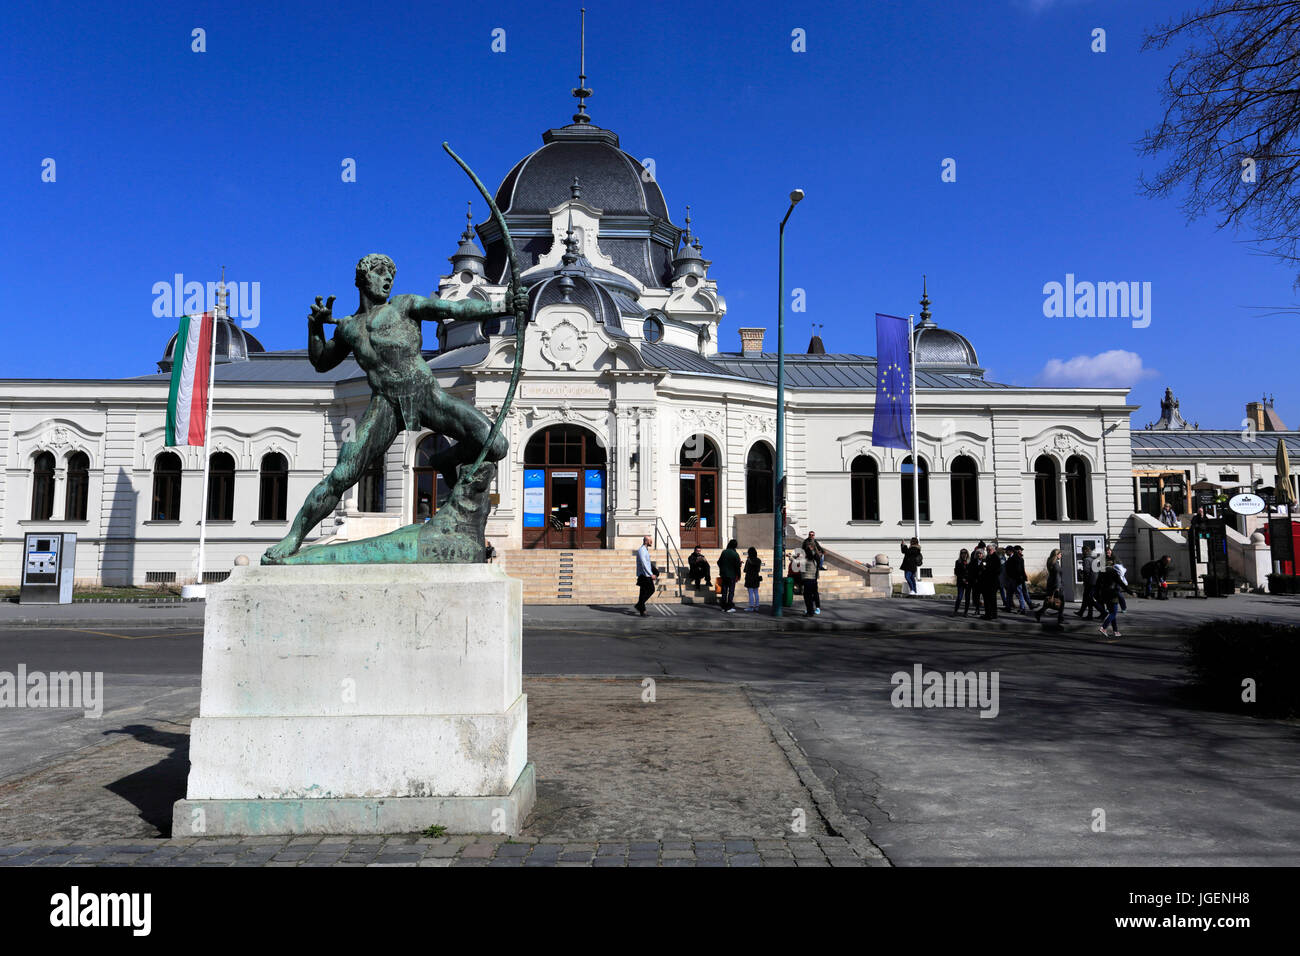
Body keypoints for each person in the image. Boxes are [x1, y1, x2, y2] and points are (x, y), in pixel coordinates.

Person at [262, 253, 524, 563]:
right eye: (380, 273)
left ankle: (444, 459)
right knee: (342, 474)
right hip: (385, 403)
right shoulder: (348, 327)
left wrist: (502, 305)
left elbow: (456, 308)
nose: (387, 279)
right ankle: (293, 537)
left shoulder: (405, 305)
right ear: (362, 279)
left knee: (496, 443)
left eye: (391, 275)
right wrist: (315, 329)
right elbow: (321, 362)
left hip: (425, 395)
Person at [1096, 562, 1132, 638]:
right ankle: (1103, 628)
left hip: (1104, 594)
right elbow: (1122, 584)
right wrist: (1130, 592)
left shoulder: (1102, 572)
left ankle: (1115, 631)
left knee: (1112, 613)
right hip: (1112, 595)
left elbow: (1098, 584)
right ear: (1113, 566)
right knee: (1113, 613)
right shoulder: (1114, 573)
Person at [1035, 548, 1065, 626]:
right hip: (1056, 585)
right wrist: (1058, 587)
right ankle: (1060, 619)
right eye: (1060, 554)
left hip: (1051, 584)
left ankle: (1038, 613)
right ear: (1057, 555)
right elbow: (1057, 576)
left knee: (1048, 602)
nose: (1061, 555)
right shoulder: (1055, 565)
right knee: (1061, 602)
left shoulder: (1051, 562)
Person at [634, 535, 658, 616]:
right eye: (650, 540)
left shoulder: (645, 550)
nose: (651, 542)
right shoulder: (642, 550)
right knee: (651, 589)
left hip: (645, 574)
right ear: (645, 541)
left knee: (643, 593)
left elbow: (647, 563)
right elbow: (644, 564)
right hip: (645, 575)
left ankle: (642, 610)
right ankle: (639, 604)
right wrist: (651, 574)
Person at [1076, 544, 1100, 620]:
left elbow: (1086, 571)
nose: (1082, 552)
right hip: (1094, 581)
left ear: (1084, 551)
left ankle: (1103, 612)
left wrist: (1081, 573)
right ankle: (1084, 613)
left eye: (1082, 551)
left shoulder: (1086, 560)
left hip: (1089, 582)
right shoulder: (1093, 559)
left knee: (1089, 599)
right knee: (1086, 597)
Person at [717, 539, 742, 613]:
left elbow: (719, 562)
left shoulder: (724, 552)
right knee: (731, 591)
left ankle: (723, 606)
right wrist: (739, 575)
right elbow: (737, 566)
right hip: (732, 575)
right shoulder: (735, 554)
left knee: (724, 591)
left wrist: (723, 569)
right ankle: (729, 607)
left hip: (724, 574)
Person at [1004, 545, 1029, 613]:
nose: (1005, 552)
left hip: (1016, 579)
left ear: (1010, 551)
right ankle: (1008, 607)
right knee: (1009, 594)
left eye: (1006, 551)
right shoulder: (1011, 558)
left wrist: (1017, 578)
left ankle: (1022, 608)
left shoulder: (1016, 557)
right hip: (1012, 579)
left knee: (1019, 593)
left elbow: (1018, 570)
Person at [980, 545, 1002, 619]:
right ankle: (990, 614)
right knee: (988, 599)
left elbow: (997, 570)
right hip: (987, 582)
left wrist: (987, 569)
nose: (988, 551)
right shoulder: (988, 557)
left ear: (993, 550)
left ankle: (990, 614)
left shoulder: (996, 558)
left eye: (989, 550)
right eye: (987, 550)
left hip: (992, 582)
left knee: (991, 599)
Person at [802, 538, 823, 614]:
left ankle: (812, 609)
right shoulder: (815, 555)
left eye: (808, 546)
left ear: (811, 546)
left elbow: (801, 562)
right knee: (813, 593)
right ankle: (813, 608)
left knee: (810, 594)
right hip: (813, 576)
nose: (807, 547)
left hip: (811, 576)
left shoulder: (812, 555)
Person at [743, 547, 763, 611]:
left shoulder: (748, 560)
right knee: (756, 592)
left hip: (749, 577)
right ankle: (757, 606)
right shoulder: (758, 560)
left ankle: (751, 607)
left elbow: (745, 570)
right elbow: (758, 570)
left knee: (751, 592)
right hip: (756, 577)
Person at [966, 547, 984, 616]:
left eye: (980, 553)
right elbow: (970, 571)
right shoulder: (973, 562)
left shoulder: (985, 561)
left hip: (983, 582)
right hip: (975, 582)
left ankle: (987, 610)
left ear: (982, 554)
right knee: (976, 597)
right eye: (978, 553)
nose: (979, 555)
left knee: (985, 597)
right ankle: (977, 609)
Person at [953, 549, 970, 616]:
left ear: (967, 554)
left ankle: (966, 612)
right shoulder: (958, 562)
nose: (964, 554)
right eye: (962, 553)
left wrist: (968, 580)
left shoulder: (970, 562)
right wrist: (963, 579)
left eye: (965, 553)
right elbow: (957, 572)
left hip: (968, 582)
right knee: (959, 597)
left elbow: (971, 572)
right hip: (961, 581)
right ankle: (955, 611)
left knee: (967, 597)